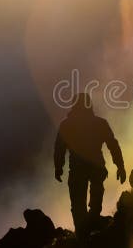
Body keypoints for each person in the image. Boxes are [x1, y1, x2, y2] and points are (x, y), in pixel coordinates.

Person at [53, 93, 126, 238]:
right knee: (95, 194)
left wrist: (59, 167)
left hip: (78, 169)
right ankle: (91, 224)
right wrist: (120, 166)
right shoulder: (99, 123)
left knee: (78, 204)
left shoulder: (67, 125)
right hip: (96, 167)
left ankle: (83, 233)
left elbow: (59, 149)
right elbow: (113, 145)